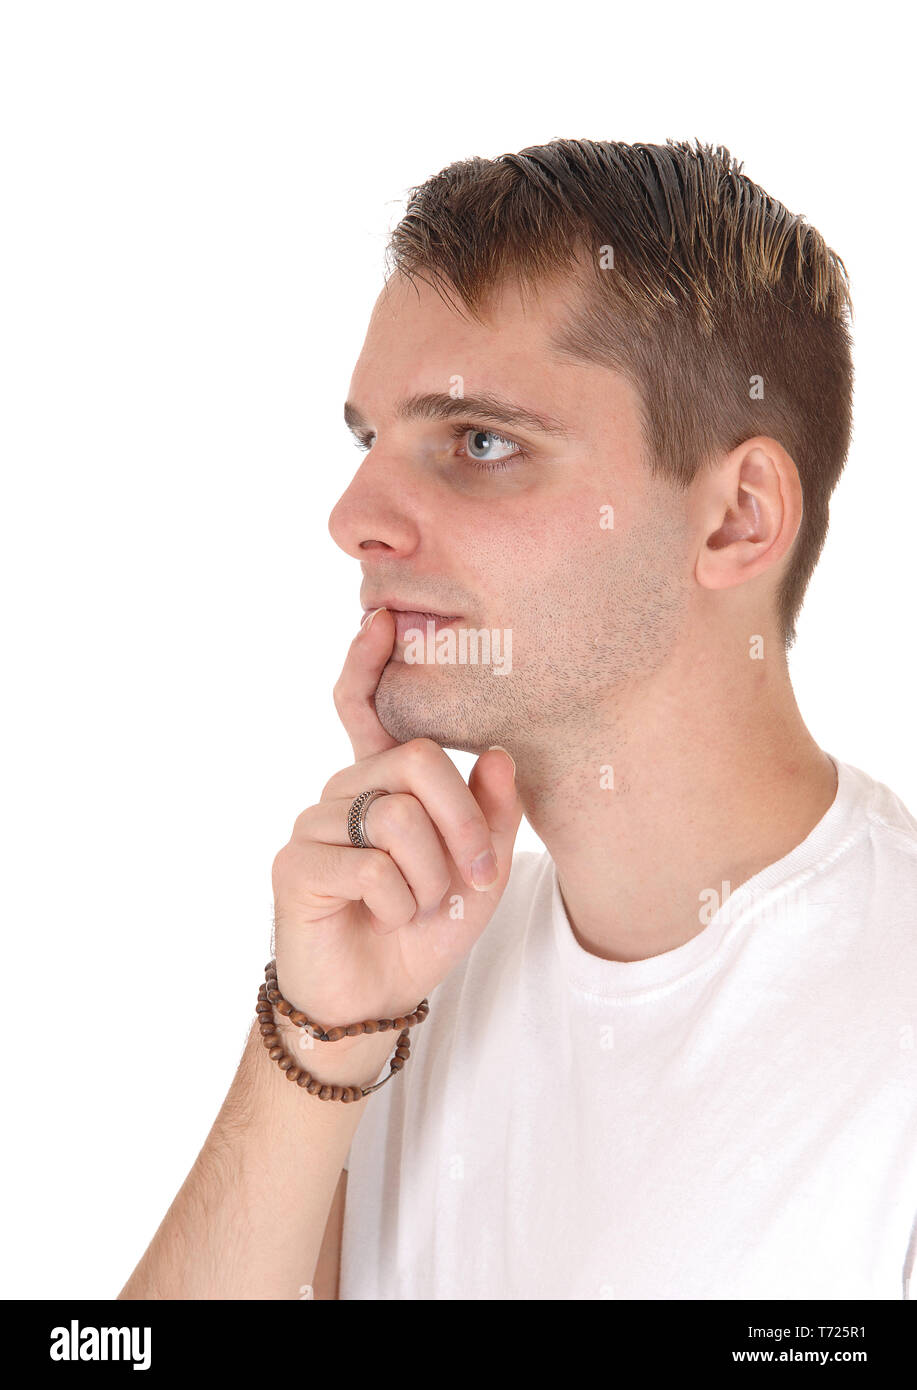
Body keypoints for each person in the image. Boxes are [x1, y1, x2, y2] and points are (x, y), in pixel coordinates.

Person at [119, 138, 917, 1302]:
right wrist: (316, 1039)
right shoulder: (409, 982)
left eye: (479, 443)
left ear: (736, 519)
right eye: (368, 441)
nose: (354, 519)